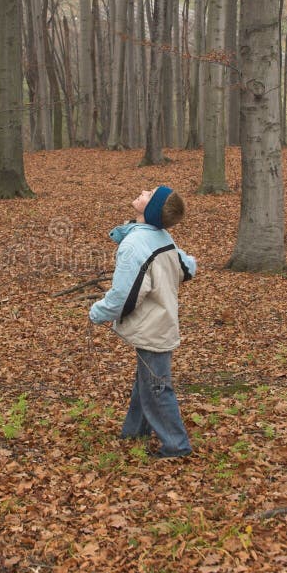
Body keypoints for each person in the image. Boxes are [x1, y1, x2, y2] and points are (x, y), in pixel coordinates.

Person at [89, 185, 197, 459]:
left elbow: (123, 297)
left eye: (150, 194)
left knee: (157, 388)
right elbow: (187, 267)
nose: (143, 191)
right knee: (147, 381)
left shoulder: (137, 245)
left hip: (154, 326)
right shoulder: (159, 236)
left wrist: (98, 312)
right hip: (158, 322)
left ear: (151, 210)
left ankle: (176, 447)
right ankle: (134, 431)